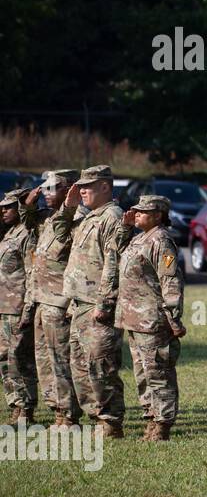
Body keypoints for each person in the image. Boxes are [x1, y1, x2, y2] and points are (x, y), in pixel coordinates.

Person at [62, 165, 126, 437]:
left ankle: (110, 422)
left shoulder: (112, 217)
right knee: (79, 366)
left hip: (98, 305)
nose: (82, 190)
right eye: (81, 185)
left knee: (101, 364)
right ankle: (96, 418)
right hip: (79, 303)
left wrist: (105, 304)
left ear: (105, 187)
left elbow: (113, 265)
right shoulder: (89, 217)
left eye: (89, 185)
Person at [117, 196, 186, 439]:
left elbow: (170, 281)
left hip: (153, 320)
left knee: (158, 373)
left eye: (142, 211)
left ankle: (163, 425)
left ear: (158, 215)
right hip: (134, 320)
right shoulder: (138, 238)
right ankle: (150, 419)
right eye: (135, 210)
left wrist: (173, 318)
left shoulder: (162, 241)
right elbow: (114, 251)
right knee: (143, 374)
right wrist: (125, 227)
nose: (135, 214)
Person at [20, 172, 79, 423]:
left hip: (59, 302)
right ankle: (56, 409)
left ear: (68, 190)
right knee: (44, 361)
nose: (45, 192)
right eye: (44, 187)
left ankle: (68, 414)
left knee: (61, 362)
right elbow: (27, 221)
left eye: (52, 188)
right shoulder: (46, 218)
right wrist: (28, 204)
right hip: (41, 300)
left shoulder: (76, 220)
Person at [0, 191, 37, 424]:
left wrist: (28, 308)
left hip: (18, 306)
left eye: (9, 207)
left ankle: (25, 408)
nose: (3, 211)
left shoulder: (27, 235)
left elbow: (33, 273)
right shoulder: (8, 234)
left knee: (19, 359)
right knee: (4, 358)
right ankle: (14, 402)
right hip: (3, 306)